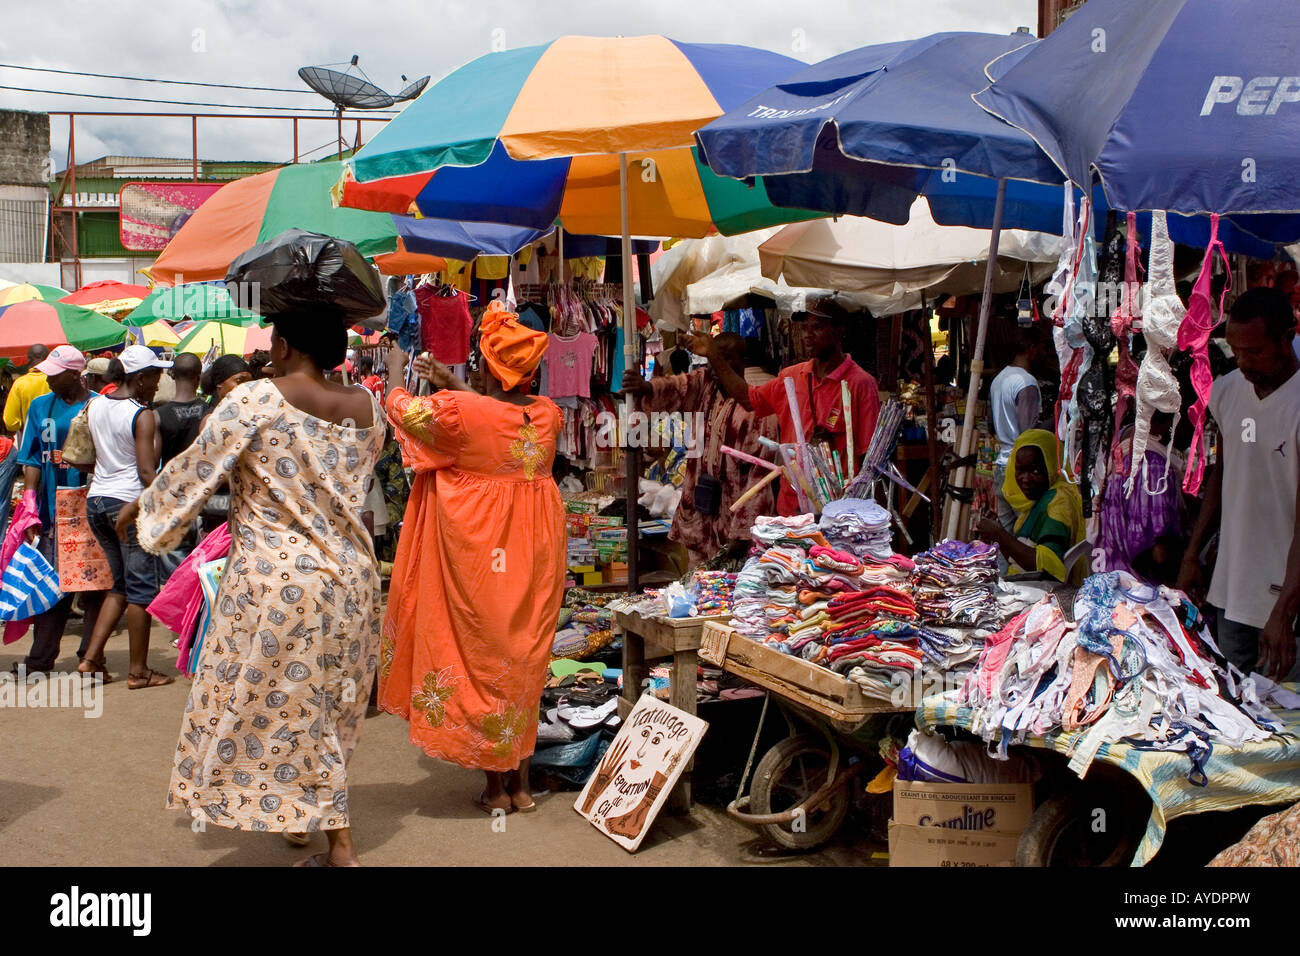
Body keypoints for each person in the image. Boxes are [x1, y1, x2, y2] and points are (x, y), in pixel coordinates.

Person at [127, 310, 385, 866]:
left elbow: (197, 470)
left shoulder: (254, 400)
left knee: (275, 706)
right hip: (351, 580)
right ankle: (303, 816)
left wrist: (147, 510)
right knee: (330, 706)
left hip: (277, 581)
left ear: (287, 345)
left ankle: (339, 843)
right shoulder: (369, 405)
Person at [378, 301, 565, 816]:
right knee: (524, 661)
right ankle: (521, 787)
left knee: (484, 658)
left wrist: (395, 372)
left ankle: (497, 788)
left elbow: (405, 411)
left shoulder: (463, 412)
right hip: (534, 557)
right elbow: (498, 417)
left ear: (485, 366)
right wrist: (453, 381)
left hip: (484, 554)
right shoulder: (548, 415)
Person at [1179, 288, 1300, 679]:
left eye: (1256, 351)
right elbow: (1223, 472)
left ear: (1287, 338)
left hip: (1288, 609)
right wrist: (1192, 553)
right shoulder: (1229, 391)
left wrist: (1284, 610)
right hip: (1233, 595)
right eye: (1236, 351)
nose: (1243, 362)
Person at [690, 298, 880, 516]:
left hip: (840, 511)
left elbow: (870, 459)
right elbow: (747, 398)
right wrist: (714, 355)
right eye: (804, 328)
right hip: (793, 507)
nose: (807, 335)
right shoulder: (791, 377)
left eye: (817, 327)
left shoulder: (861, 383)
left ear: (839, 332)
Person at [622, 331, 779, 566]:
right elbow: (679, 387)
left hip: (736, 514)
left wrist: (744, 532)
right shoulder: (708, 386)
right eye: (711, 360)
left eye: (722, 359)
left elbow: (759, 479)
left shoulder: (757, 410)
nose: (715, 367)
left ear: (741, 361)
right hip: (703, 508)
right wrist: (646, 387)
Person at [76, 345, 172, 689]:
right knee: (141, 589)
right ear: (141, 377)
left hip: (97, 499)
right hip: (128, 504)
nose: (159, 383)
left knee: (118, 585)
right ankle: (138, 671)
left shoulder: (96, 404)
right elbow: (146, 472)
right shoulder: (141, 414)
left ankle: (90, 659)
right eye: (156, 376)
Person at [12, 347, 106, 676]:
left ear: (75, 374)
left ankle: (90, 658)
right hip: (54, 511)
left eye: (56, 373)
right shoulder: (40, 406)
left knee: (94, 586)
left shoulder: (98, 406)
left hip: (91, 506)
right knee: (52, 585)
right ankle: (39, 660)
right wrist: (30, 500)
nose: (49, 378)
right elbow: (32, 457)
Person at [975, 429, 1085, 583]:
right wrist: (997, 537)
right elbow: (1019, 562)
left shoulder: (1058, 502)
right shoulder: (1039, 501)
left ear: (1051, 466)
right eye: (1020, 470)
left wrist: (1001, 535)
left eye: (1035, 470)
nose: (1026, 479)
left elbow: (1049, 569)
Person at [989, 323, 1053, 540]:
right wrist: (1058, 419)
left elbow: (991, 424)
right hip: (1019, 469)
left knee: (1005, 535)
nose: (1045, 353)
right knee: (1029, 535)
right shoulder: (1026, 382)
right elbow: (1029, 436)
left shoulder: (999, 379)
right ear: (1030, 348)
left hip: (1001, 464)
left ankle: (1004, 575)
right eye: (1042, 347)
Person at [156, 353, 208, 468]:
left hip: (170, 481)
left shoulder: (158, 415)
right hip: (201, 482)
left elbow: (153, 463)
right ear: (199, 377)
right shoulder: (210, 412)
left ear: (172, 375)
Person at [3, 344, 51, 437]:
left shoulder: (20, 383)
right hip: (57, 439)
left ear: (28, 360)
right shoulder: (57, 379)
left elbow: (10, 423)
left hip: (30, 439)